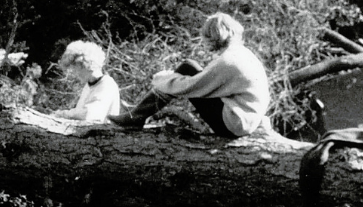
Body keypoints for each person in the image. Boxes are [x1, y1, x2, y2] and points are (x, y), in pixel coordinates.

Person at [111, 12, 270, 138]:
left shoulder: (228, 61)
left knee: (187, 68)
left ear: (212, 37)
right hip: (245, 120)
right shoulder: (243, 53)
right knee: (189, 67)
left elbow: (190, 87)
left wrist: (162, 79)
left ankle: (136, 117)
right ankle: (137, 115)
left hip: (234, 125)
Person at [51, 40, 120, 207]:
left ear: (85, 65)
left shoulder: (106, 85)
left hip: (102, 154)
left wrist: (64, 114)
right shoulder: (89, 86)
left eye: (75, 68)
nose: (73, 73)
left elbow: (92, 115)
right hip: (82, 155)